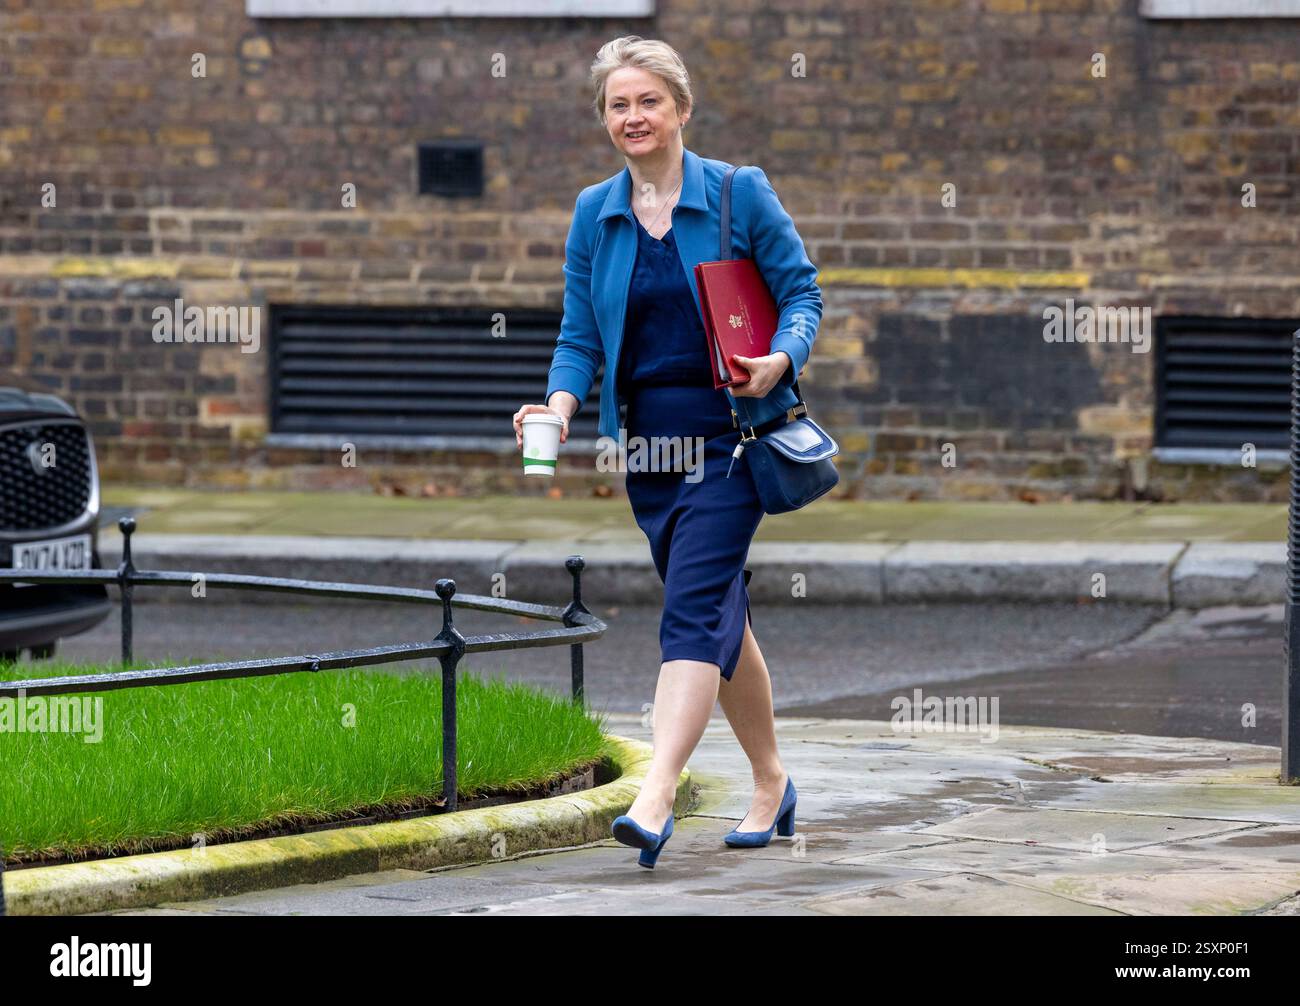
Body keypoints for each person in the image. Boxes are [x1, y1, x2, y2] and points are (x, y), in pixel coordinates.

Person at [511, 35, 822, 869]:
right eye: (618, 104)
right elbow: (580, 335)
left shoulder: (736, 194)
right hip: (648, 449)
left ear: (681, 108)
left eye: (649, 101)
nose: (633, 117)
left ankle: (655, 797)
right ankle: (771, 782)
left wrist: (781, 360)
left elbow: (802, 291)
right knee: (721, 614)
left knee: (690, 609)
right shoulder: (595, 212)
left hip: (733, 435)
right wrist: (560, 405)